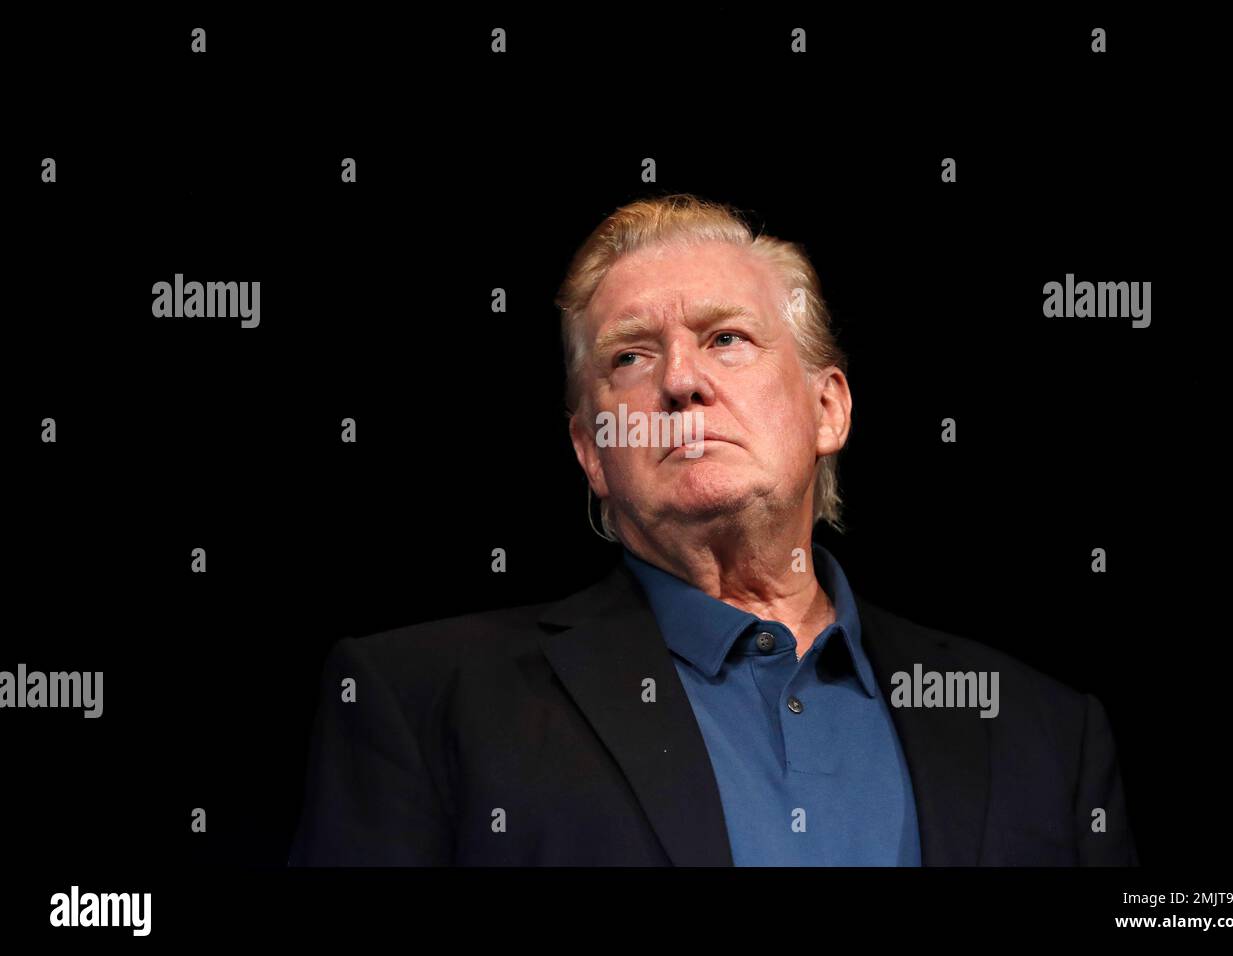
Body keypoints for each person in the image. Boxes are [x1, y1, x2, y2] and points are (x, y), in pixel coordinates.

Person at [288, 194, 1138, 866]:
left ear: (827, 407)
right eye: (630, 357)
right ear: (592, 450)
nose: (680, 382)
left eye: (726, 338)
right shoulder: (424, 702)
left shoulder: (1039, 731)